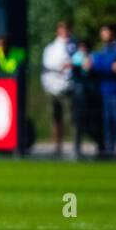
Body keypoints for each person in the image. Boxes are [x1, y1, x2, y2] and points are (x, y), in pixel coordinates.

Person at [41, 22, 76, 157]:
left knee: (72, 117)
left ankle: (75, 145)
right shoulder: (51, 48)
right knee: (56, 118)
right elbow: (48, 67)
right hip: (53, 87)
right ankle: (57, 145)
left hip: (69, 87)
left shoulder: (73, 46)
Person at [90, 23, 116, 156]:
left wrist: (104, 65)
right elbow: (97, 64)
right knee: (107, 119)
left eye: (105, 32)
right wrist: (108, 67)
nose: (103, 34)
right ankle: (109, 146)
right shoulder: (103, 49)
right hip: (105, 89)